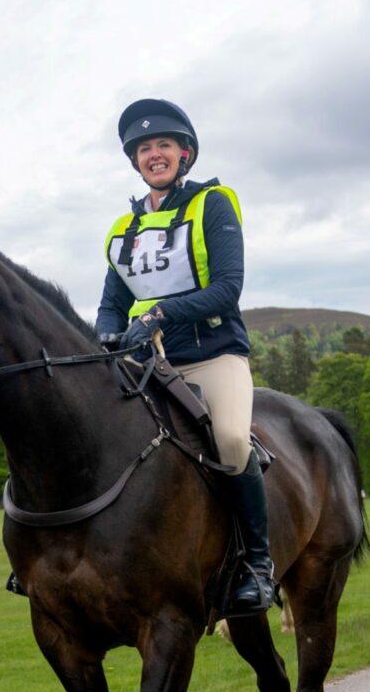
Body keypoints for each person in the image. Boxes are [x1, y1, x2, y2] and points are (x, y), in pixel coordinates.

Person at [95, 98, 272, 614]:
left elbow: (227, 288)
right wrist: (108, 336)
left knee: (234, 442)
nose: (154, 154)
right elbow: (111, 304)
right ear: (135, 161)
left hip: (211, 354)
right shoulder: (121, 232)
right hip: (147, 363)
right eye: (144, 148)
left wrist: (156, 317)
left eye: (164, 146)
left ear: (184, 154)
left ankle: (257, 566)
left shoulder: (212, 204)